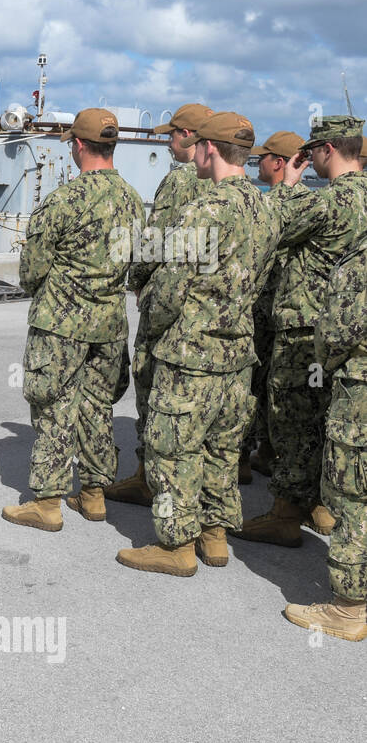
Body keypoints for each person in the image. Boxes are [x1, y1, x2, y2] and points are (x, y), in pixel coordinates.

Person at [116, 112, 279, 575]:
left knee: (173, 448)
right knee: (222, 449)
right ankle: (215, 534)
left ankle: (175, 546)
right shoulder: (265, 207)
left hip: (191, 354)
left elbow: (169, 290)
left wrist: (152, 318)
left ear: (207, 148)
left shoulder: (204, 209)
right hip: (237, 352)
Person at [1, 108, 144, 531]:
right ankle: (95, 493)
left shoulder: (64, 200)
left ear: (79, 146)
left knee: (52, 408)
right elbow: (138, 268)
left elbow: (31, 272)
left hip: (60, 326)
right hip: (111, 324)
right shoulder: (134, 200)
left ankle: (47, 502)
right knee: (97, 406)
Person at [234, 116, 367, 547]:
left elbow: (264, 225)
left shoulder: (326, 202)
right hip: (350, 334)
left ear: (327, 150)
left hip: (304, 332)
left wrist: (289, 184)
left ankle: (286, 512)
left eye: (311, 153)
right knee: (330, 419)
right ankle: (321, 504)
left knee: (293, 421)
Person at [106, 103, 214, 506]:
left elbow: (155, 241)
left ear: (188, 136)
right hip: (210, 310)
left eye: (172, 134)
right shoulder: (227, 186)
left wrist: (137, 283)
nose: (168, 141)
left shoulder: (179, 181)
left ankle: (148, 476)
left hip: (171, 303)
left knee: (152, 386)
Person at [285, 246, 367, 640]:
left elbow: (335, 335)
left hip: (361, 402)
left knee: (353, 499)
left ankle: (348, 610)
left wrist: (327, 364)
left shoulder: (360, 262)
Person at [241, 131, 305, 479]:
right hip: (287, 313)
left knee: (252, 386)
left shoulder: (272, 205)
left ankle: (240, 458)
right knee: (277, 388)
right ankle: (267, 451)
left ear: (279, 163)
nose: (257, 162)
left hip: (265, 310)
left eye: (263, 157)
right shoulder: (308, 201)